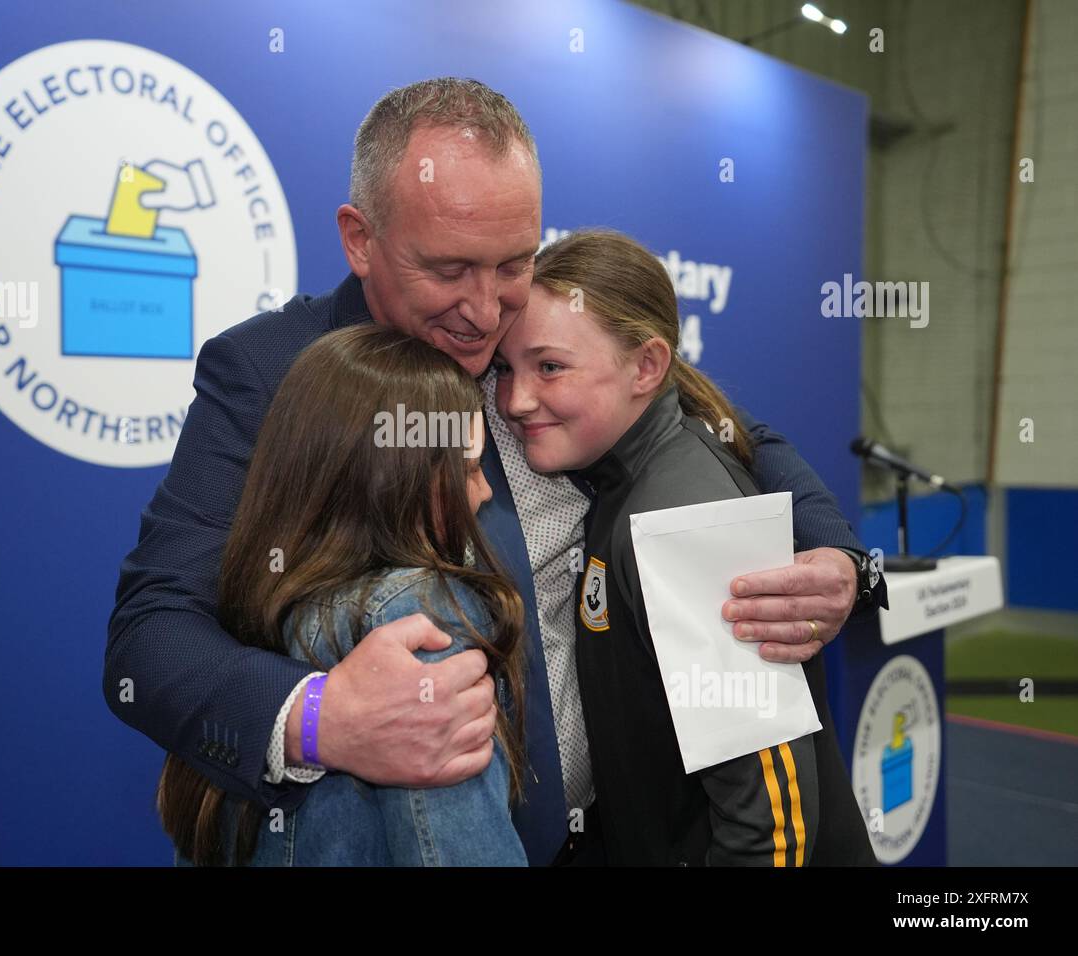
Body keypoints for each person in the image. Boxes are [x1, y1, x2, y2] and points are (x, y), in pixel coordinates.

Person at [105, 77, 887, 867]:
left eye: (513, 262)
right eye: (448, 270)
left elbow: (722, 424)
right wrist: (322, 720)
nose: (485, 311)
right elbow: (150, 636)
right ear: (360, 238)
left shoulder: (543, 332)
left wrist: (842, 561)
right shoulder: (273, 372)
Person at [493, 228, 875, 865]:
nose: (516, 398)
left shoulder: (690, 520)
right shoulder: (619, 478)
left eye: (550, 366)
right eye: (507, 367)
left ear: (647, 367)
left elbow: (771, 827)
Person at [160, 324, 528, 865]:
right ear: (403, 480)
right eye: (467, 470)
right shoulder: (418, 617)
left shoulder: (241, 622)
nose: (485, 492)